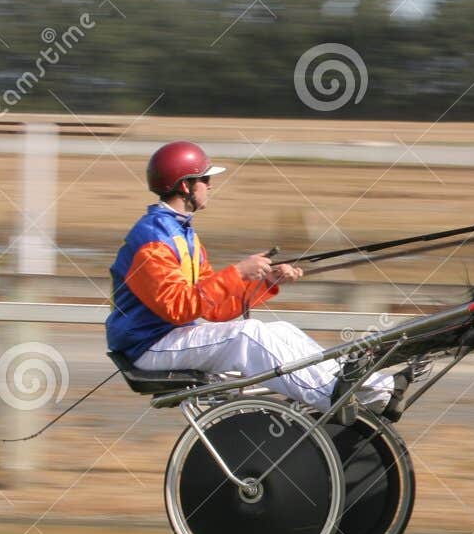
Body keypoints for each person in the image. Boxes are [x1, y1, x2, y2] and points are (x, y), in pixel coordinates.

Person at [106, 140, 397, 415]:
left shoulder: (184, 234)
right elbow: (179, 307)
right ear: (185, 186)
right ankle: (335, 397)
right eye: (205, 180)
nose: (209, 186)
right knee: (249, 334)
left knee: (281, 330)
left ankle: (376, 388)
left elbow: (213, 308)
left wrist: (266, 281)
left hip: (170, 339)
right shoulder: (152, 240)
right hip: (148, 347)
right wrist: (238, 272)